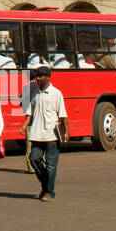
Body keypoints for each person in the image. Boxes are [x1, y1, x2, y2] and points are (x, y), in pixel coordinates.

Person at [23, 66, 68, 201]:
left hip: (52, 135)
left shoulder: (56, 94)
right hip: (37, 134)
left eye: (41, 76)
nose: (38, 78)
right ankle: (45, 184)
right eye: (37, 76)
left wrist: (66, 132)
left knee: (50, 165)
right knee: (34, 159)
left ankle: (49, 192)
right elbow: (29, 113)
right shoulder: (35, 95)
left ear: (48, 77)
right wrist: (24, 126)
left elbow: (63, 115)